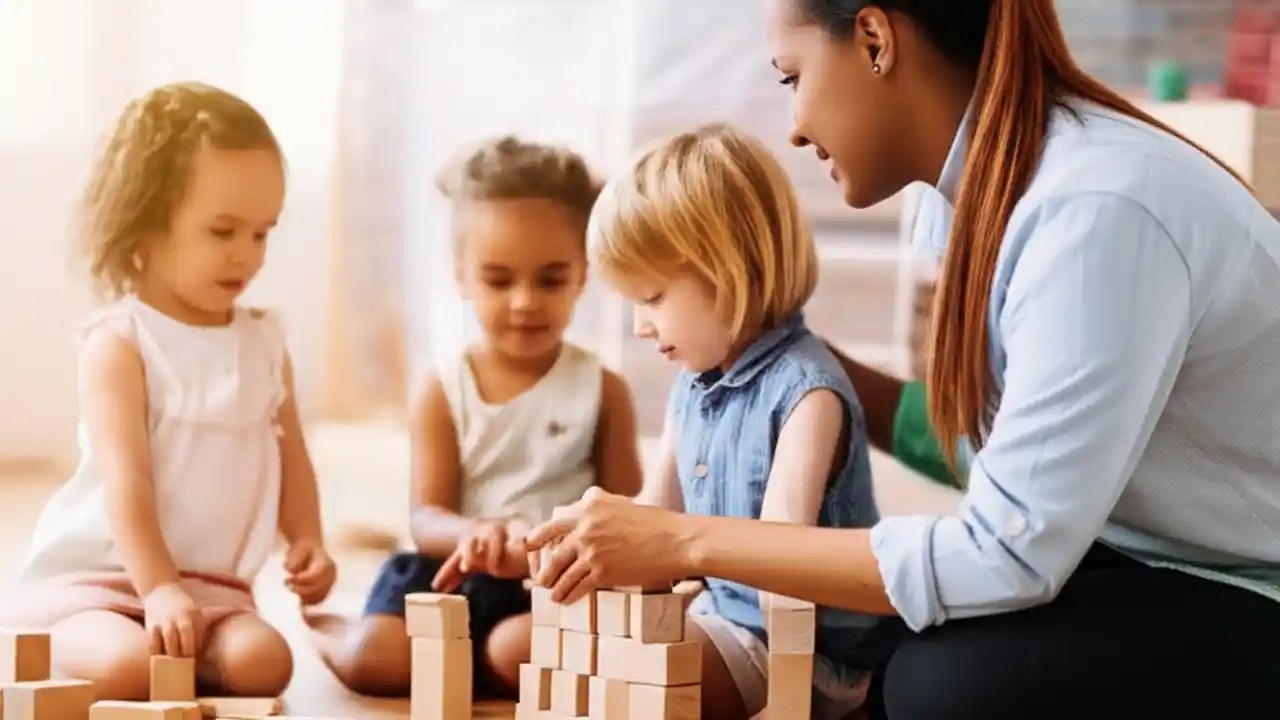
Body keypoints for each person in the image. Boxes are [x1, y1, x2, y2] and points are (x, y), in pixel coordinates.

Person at [527, 1, 1280, 717]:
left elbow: (1006, 551)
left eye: (792, 78)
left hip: (1245, 582)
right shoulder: (967, 199)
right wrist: (784, 365)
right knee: (924, 661)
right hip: (1138, 552)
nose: (792, 127)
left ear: (876, 40)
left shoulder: (1095, 213)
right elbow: (1004, 453)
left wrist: (680, 540)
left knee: (937, 684)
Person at [0, 82, 337, 700]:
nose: (247, 256)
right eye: (222, 231)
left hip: (211, 590)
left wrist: (309, 538)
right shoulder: (120, 344)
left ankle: (178, 655)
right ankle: (50, 635)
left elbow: (292, 455)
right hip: (105, 580)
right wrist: (155, 589)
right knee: (129, 668)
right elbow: (127, 481)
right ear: (144, 227)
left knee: (267, 664)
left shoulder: (265, 343)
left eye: (262, 233)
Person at [307, 136, 644, 698]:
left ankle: (473, 666)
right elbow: (426, 516)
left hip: (544, 587)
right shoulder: (443, 386)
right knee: (375, 663)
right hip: (449, 573)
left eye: (551, 279)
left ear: (584, 274)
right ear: (461, 275)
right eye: (498, 279)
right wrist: (472, 532)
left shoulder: (603, 389)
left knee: (518, 652)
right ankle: (338, 634)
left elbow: (625, 515)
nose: (524, 301)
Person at [579, 122, 895, 718]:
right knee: (567, 647)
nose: (640, 327)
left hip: (799, 653)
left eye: (651, 300)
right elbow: (655, 509)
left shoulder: (808, 393)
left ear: (730, 271)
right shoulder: (691, 387)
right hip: (723, 617)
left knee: (636, 677)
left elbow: (783, 571)